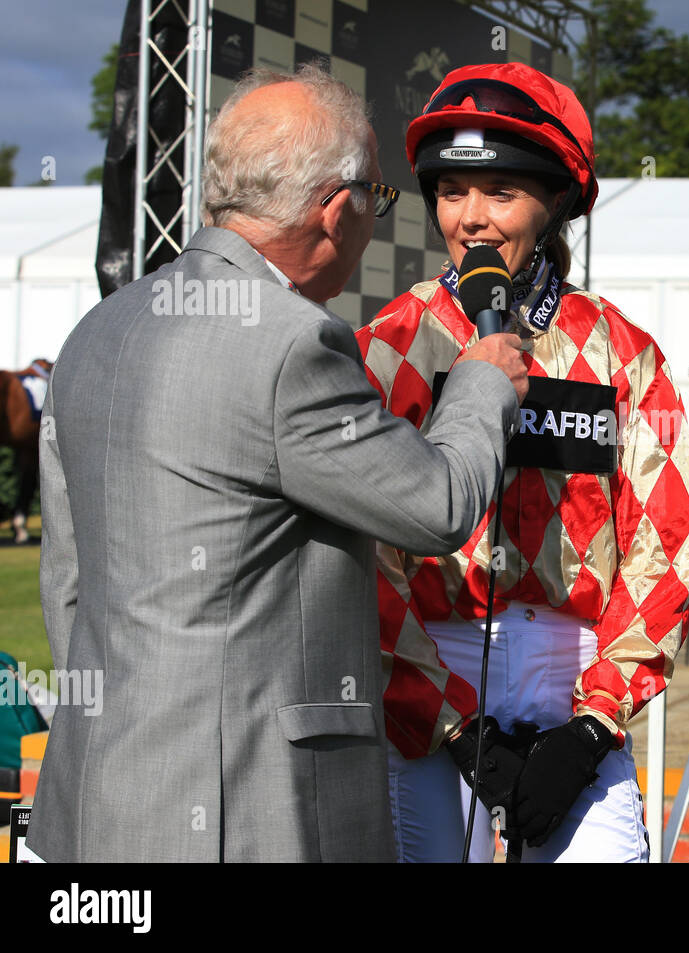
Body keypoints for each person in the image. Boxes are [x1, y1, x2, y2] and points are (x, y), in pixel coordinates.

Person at [27, 63, 529, 862]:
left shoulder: (96, 334)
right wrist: (480, 382)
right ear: (338, 209)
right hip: (246, 815)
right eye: (379, 198)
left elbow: (69, 584)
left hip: (90, 809)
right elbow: (435, 504)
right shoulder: (294, 343)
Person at [357, 62, 689, 862]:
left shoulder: (624, 353)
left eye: (501, 193)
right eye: (452, 192)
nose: (471, 218)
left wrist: (591, 726)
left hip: (576, 678)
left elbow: (668, 540)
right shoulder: (390, 345)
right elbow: (359, 550)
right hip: (429, 675)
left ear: (555, 205)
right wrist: (447, 719)